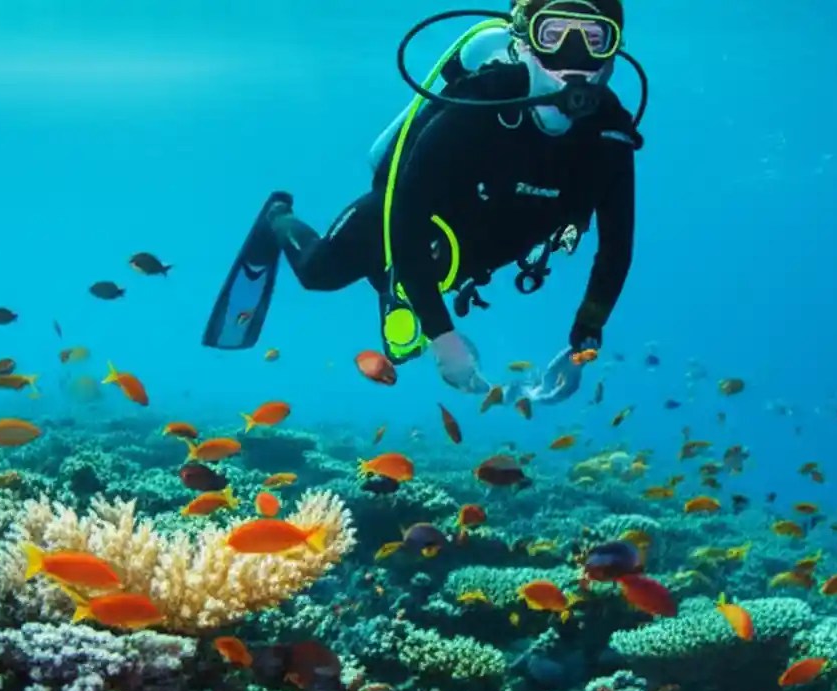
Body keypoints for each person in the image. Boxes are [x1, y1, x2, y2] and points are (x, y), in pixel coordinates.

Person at [203, 0, 642, 400]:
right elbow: (406, 213)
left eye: (594, 38)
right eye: (553, 34)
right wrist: (443, 338)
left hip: (463, 254)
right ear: (526, 42)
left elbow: (616, 247)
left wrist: (585, 339)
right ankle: (277, 217)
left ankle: (400, 293)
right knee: (318, 273)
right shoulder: (479, 104)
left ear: (611, 55)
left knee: (406, 331)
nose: (572, 55)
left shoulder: (610, 136)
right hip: (399, 219)